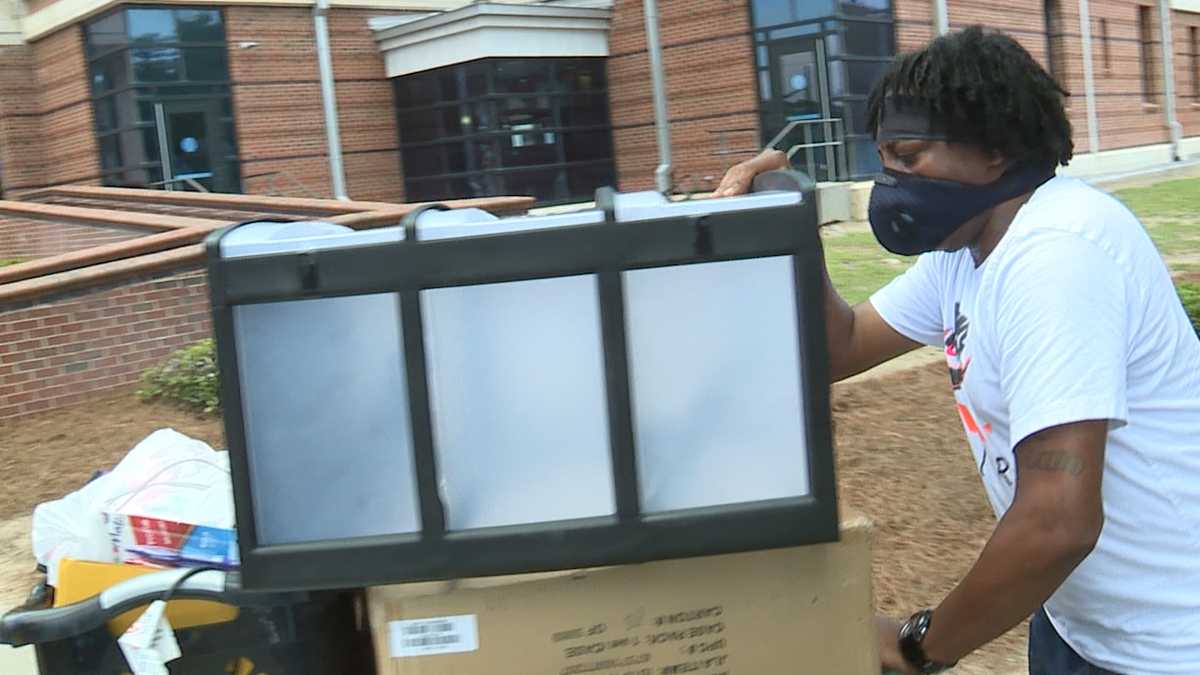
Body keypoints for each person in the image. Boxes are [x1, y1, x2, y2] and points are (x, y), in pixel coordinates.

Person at [716, 25, 1200, 675]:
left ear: (994, 150)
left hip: (1170, 644)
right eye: (884, 159)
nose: (892, 181)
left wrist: (920, 645)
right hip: (1078, 623)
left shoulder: (1057, 252)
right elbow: (843, 346)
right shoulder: (966, 250)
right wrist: (789, 227)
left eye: (909, 155)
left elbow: (1058, 519)